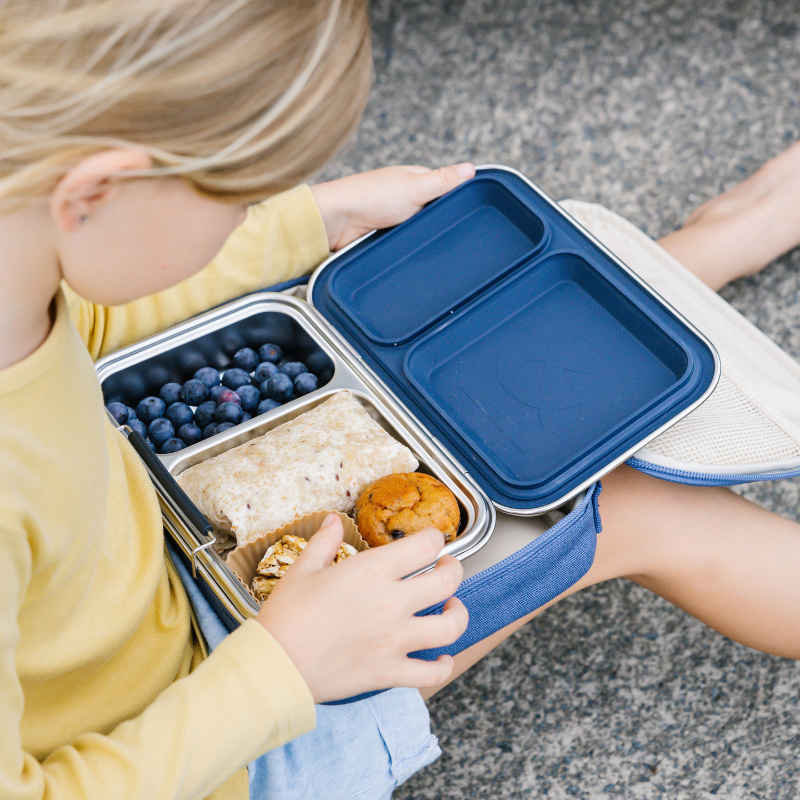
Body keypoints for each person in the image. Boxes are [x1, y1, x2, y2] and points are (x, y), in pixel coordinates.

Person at [2, 3, 800, 800]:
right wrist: (285, 668)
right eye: (241, 201)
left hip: (150, 581)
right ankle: (708, 254)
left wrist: (307, 222)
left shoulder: (25, 266)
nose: (248, 216)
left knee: (477, 352)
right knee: (632, 507)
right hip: (211, 743)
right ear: (94, 192)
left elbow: (92, 314)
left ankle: (699, 255)